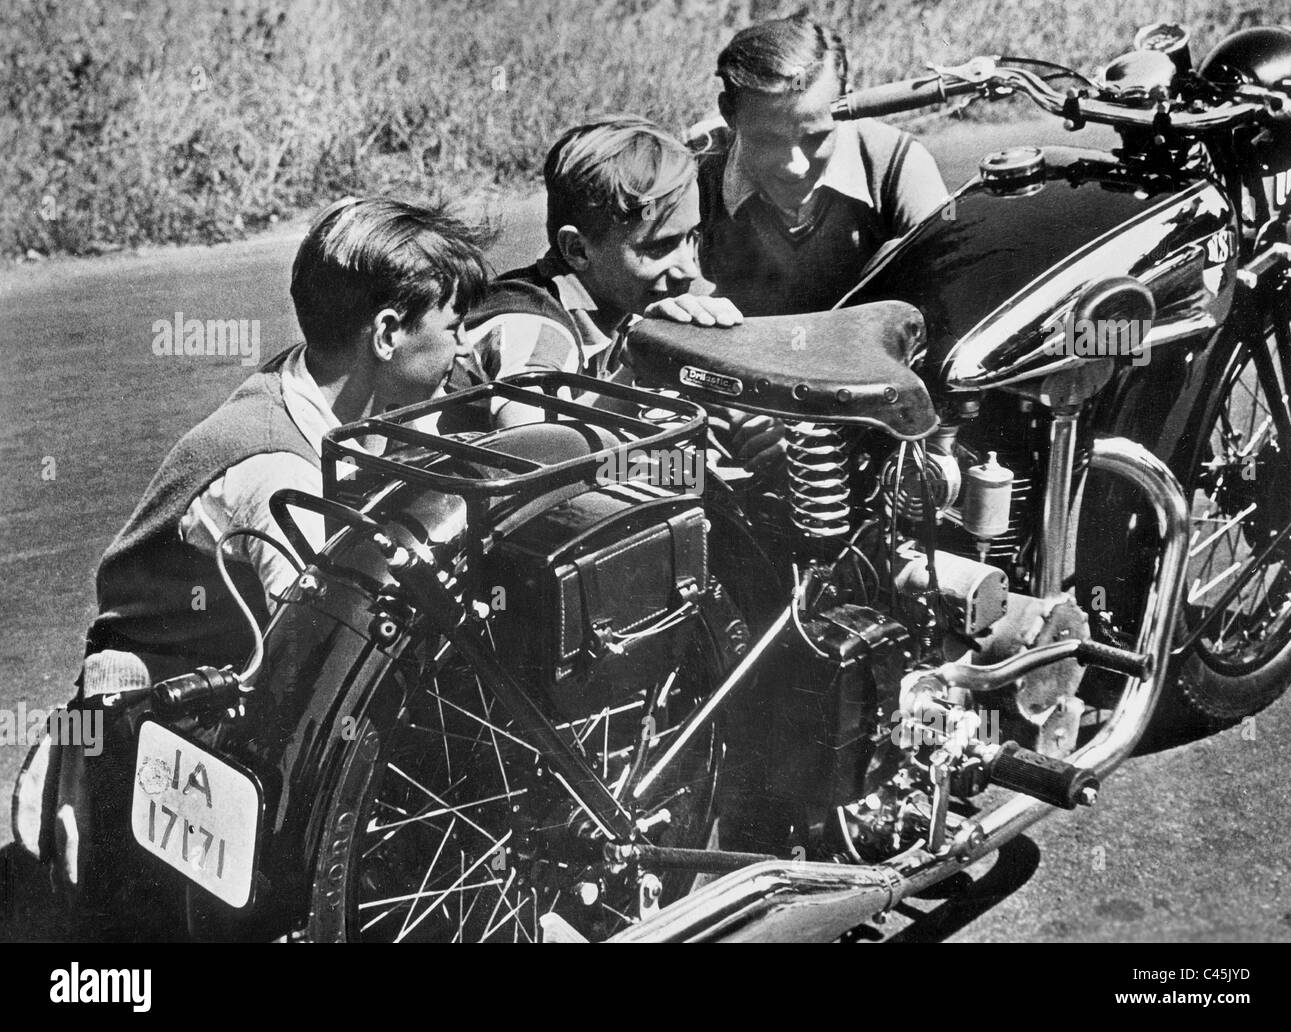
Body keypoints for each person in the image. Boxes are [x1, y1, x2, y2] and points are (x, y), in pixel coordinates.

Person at [14, 197, 492, 931]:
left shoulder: (321, 383)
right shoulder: (277, 477)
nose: (465, 347)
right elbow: (324, 664)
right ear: (387, 333)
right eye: (455, 327)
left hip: (197, 668)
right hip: (164, 715)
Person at [446, 114, 744, 431]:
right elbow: (537, 446)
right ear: (577, 250)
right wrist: (638, 370)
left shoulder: (616, 308)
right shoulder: (538, 329)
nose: (689, 269)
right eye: (659, 247)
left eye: (692, 237)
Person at [693, 12, 949, 317]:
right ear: (728, 114)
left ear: (849, 106)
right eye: (767, 140)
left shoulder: (896, 164)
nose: (794, 166)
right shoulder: (697, 172)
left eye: (815, 138)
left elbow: (948, 290)